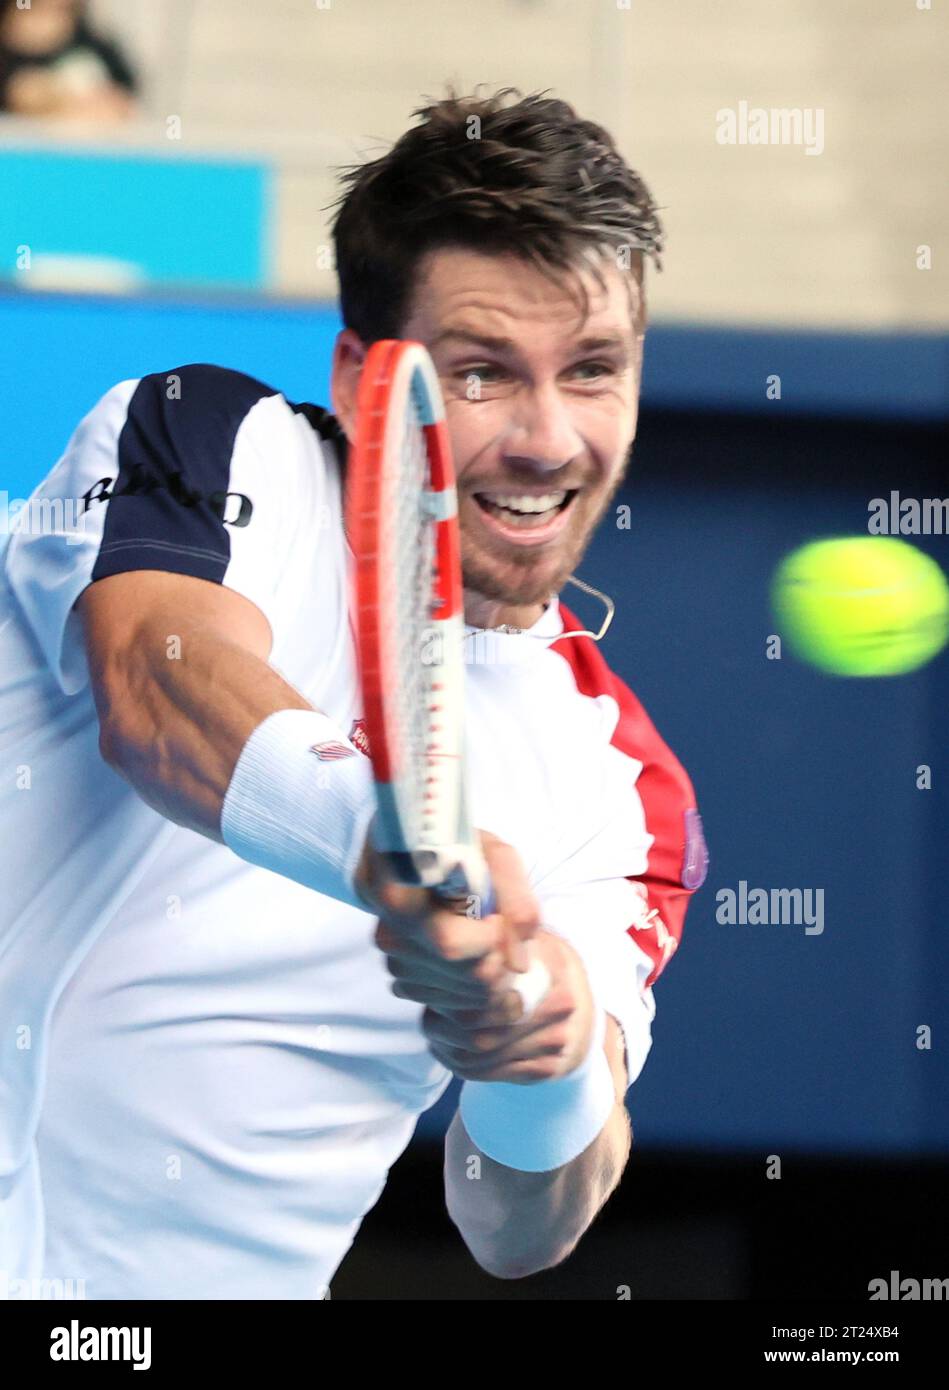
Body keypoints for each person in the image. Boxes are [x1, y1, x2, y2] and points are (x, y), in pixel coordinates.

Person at [0, 86, 708, 1299]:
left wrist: (534, 1055)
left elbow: (515, 1225)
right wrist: (391, 842)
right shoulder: (214, 437)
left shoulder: (628, 797)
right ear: (362, 371)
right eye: (485, 373)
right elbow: (154, 683)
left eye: (592, 370)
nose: (548, 437)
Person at [0, 0, 136, 122]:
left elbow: (126, 92)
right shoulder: (9, 43)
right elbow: (21, 94)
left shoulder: (92, 40)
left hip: (89, 140)